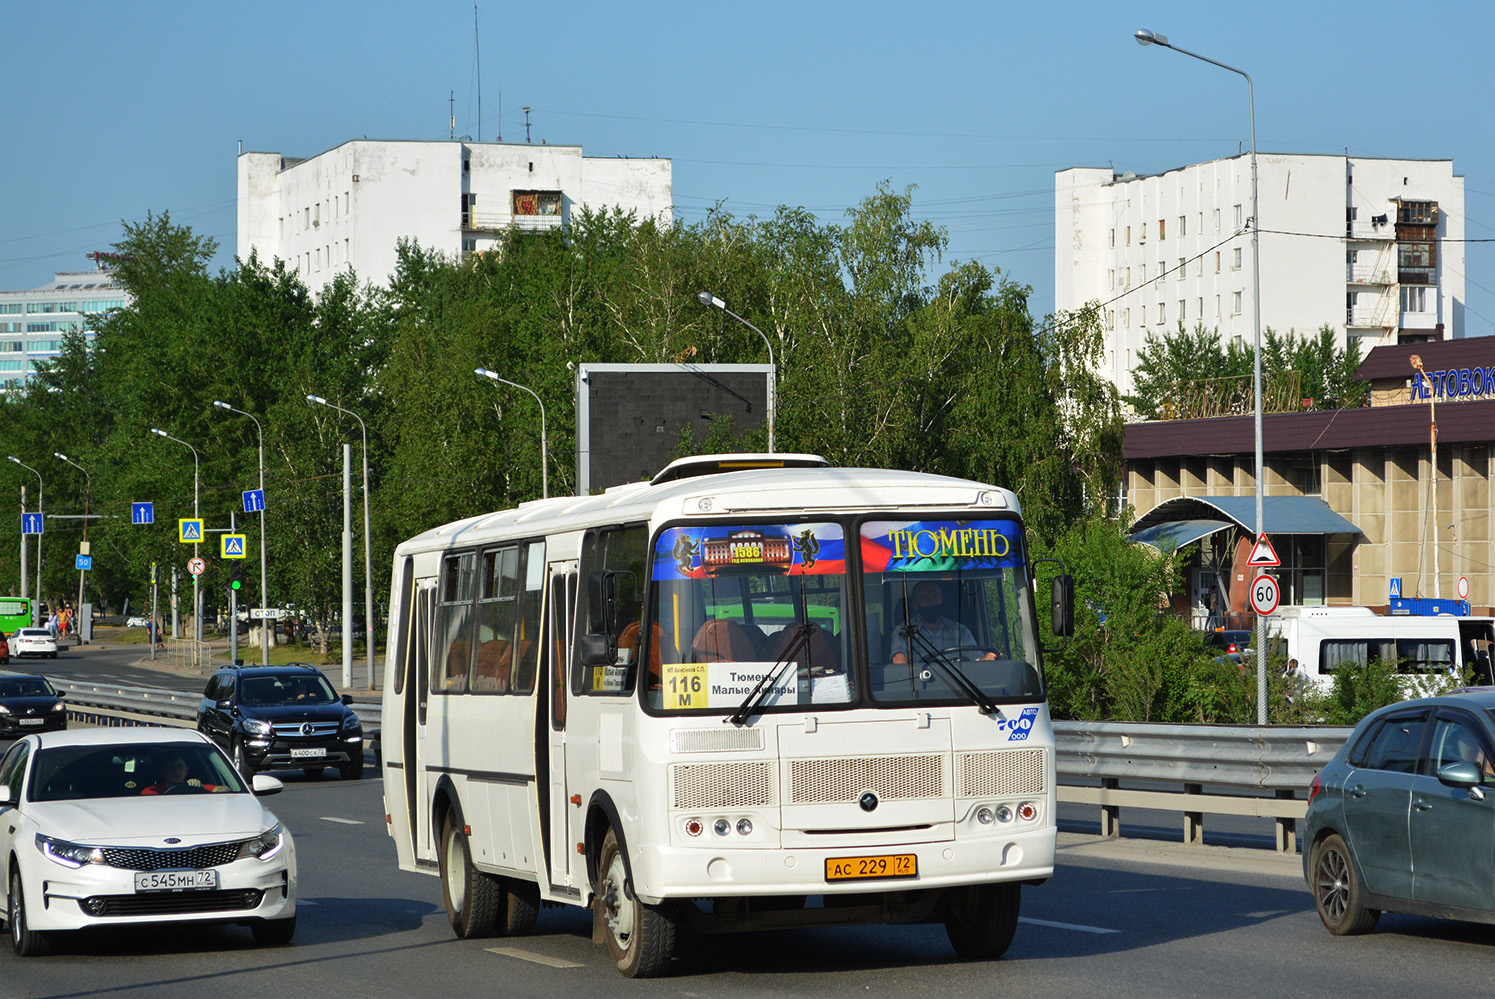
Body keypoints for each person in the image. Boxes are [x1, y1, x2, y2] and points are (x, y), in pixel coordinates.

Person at [890, 580, 997, 664]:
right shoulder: (903, 631)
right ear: (915, 605)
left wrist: (987, 659)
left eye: (936, 597)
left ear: (942, 600)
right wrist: (904, 666)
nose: (932, 602)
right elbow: (898, 659)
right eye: (925, 598)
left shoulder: (960, 631)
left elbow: (977, 661)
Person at [141, 754, 226, 794]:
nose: (176, 771)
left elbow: (225, 790)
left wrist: (199, 787)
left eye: (180, 767)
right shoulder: (152, 791)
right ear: (163, 773)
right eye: (171, 768)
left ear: (186, 771)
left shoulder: (194, 787)